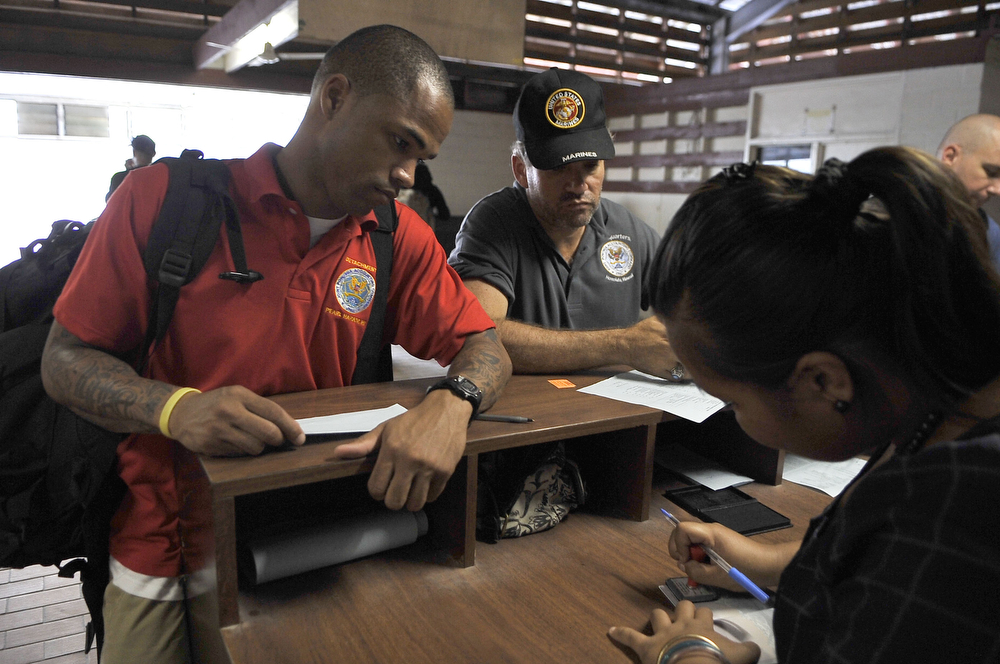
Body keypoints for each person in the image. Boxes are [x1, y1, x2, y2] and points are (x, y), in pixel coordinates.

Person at [41, 24, 511, 664]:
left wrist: (449, 407)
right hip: (168, 539)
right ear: (335, 97)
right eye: (400, 142)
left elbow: (487, 349)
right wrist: (177, 409)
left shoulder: (394, 238)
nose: (407, 174)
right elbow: (65, 361)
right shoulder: (162, 202)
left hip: (320, 536)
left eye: (421, 156)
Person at [608, 148, 1000, 663]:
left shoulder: (960, 514)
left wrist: (691, 652)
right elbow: (871, 558)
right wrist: (766, 563)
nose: (736, 420)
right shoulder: (934, 409)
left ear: (823, 379)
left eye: (732, 401)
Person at [448, 67, 680, 380]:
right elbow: (479, 334)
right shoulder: (493, 224)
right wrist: (622, 345)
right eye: (558, 168)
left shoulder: (629, 230)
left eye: (590, 165)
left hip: (616, 414)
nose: (578, 184)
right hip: (530, 420)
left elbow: (696, 305)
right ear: (520, 170)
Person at [936, 113, 1000, 271]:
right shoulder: (888, 214)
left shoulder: (990, 234)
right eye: (991, 172)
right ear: (950, 157)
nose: (997, 190)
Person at [397, 162, 450, 231]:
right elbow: (444, 215)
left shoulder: (395, 191)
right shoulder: (431, 191)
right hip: (424, 233)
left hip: (399, 234)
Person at [106, 134, 156, 201]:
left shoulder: (119, 178)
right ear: (154, 154)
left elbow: (110, 202)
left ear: (134, 152)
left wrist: (129, 171)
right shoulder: (160, 177)